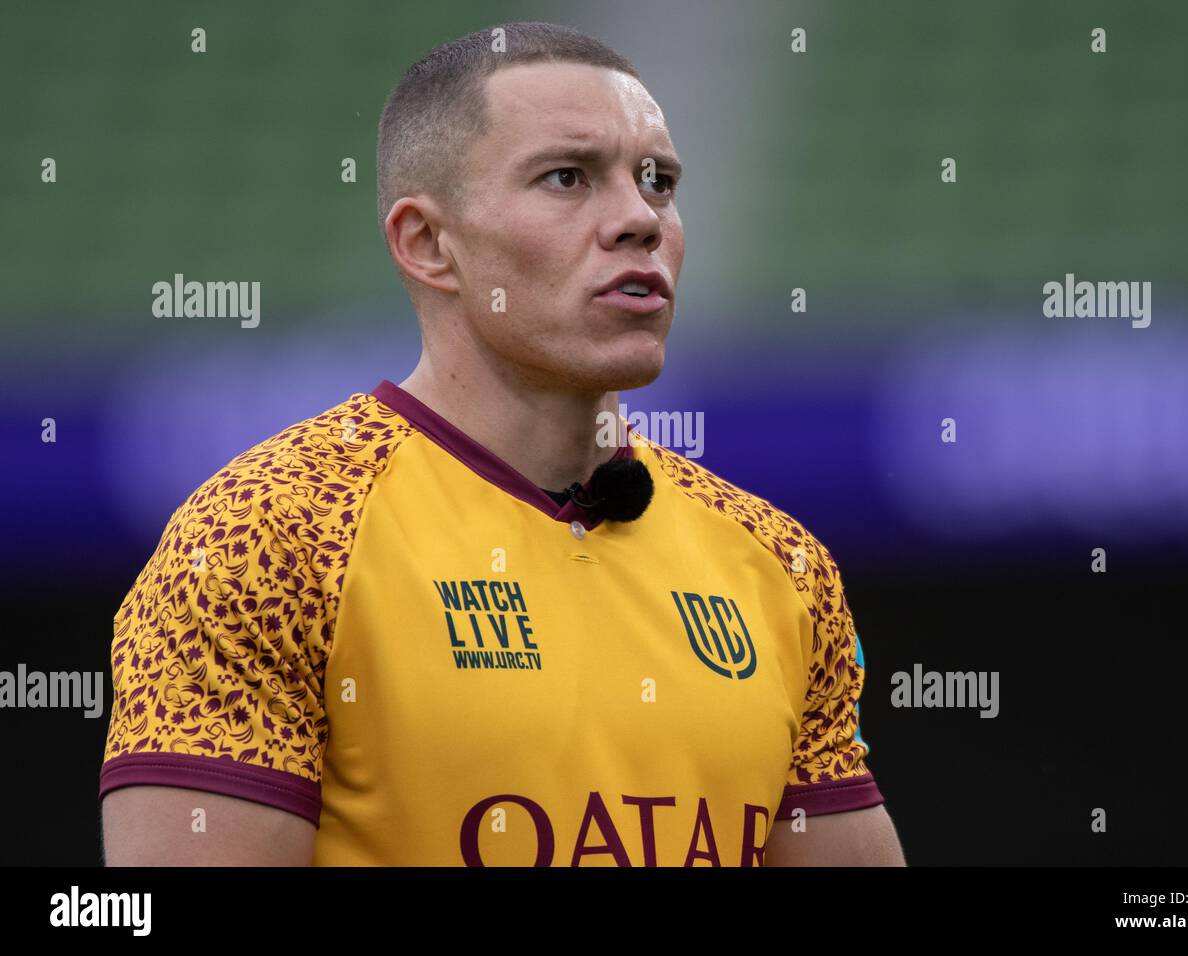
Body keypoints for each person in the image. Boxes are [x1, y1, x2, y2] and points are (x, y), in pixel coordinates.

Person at [99, 21, 904, 866]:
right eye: (567, 178)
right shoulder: (263, 538)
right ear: (427, 244)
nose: (639, 219)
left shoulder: (782, 566)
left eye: (658, 181)